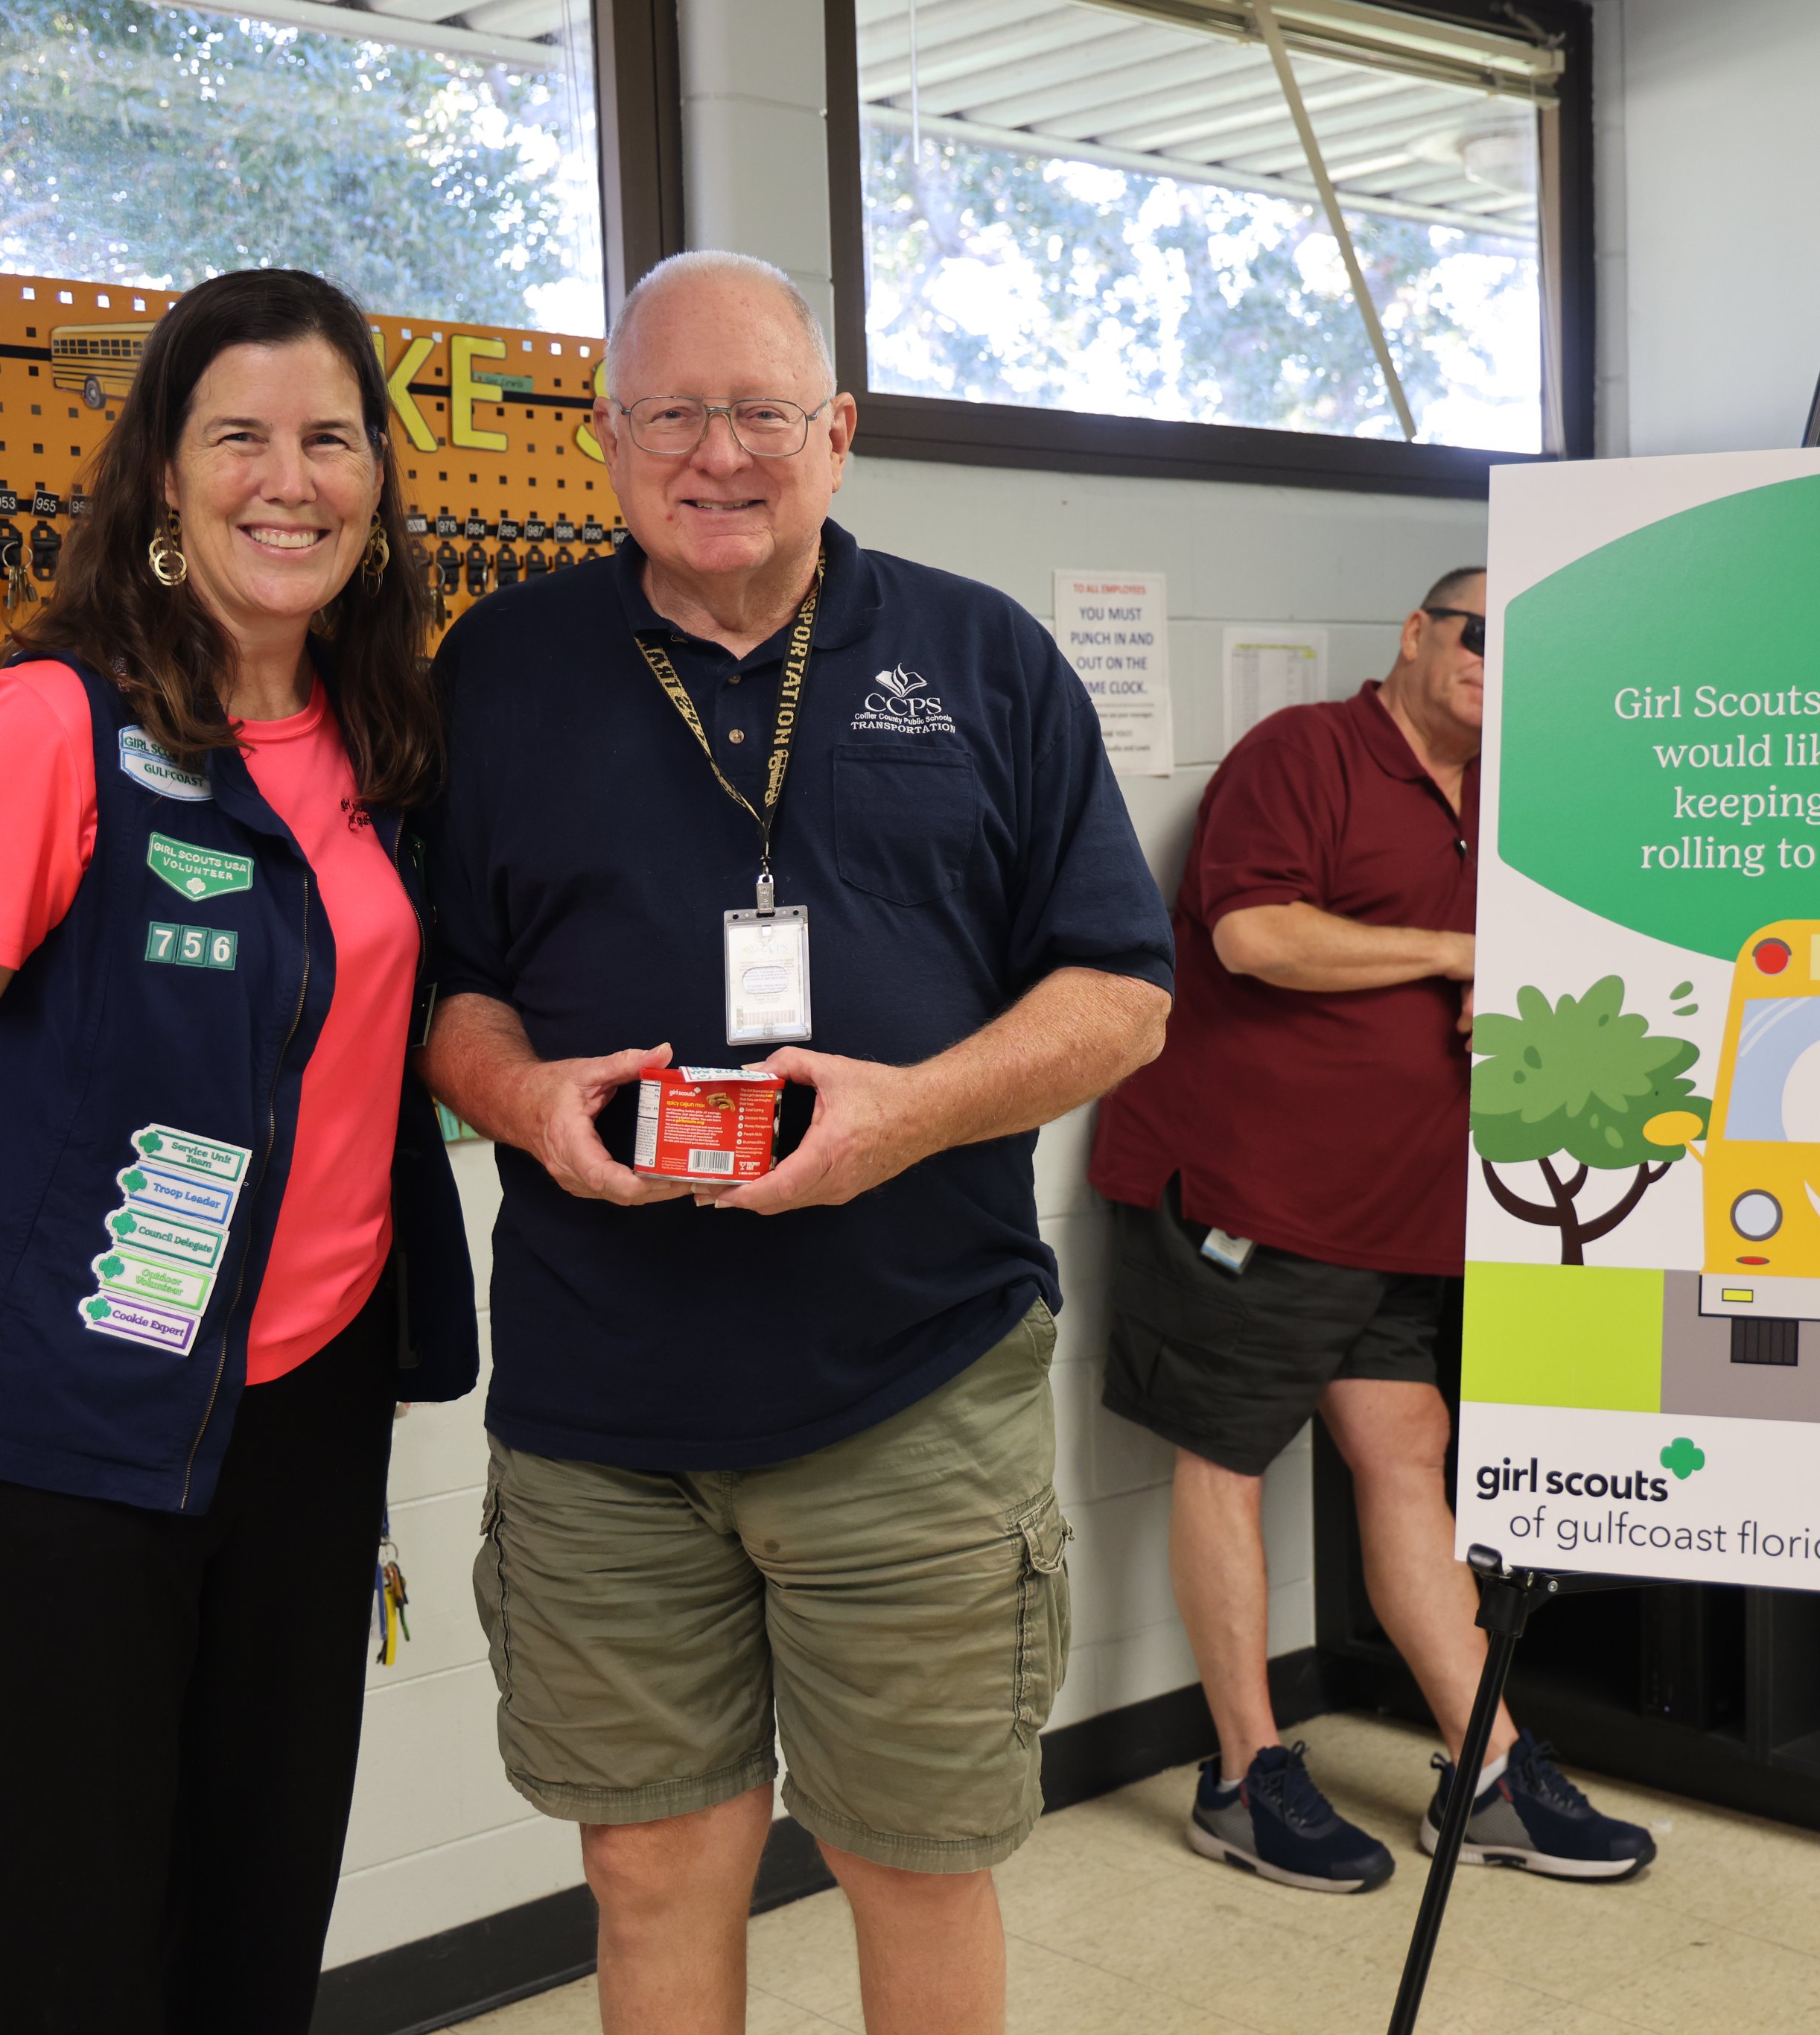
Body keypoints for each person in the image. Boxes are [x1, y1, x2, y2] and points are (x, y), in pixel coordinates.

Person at [415, 250, 1171, 2035]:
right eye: (671, 412)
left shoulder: (983, 656)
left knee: (915, 1858)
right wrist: (524, 1101)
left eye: (760, 410)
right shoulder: (501, 668)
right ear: (605, 437)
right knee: (648, 1866)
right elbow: (446, 987)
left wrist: (910, 1114)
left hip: (911, 1381)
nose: (717, 453)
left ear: (837, 433)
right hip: (602, 1405)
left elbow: (1122, 994)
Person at [0, 268, 477, 2033]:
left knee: (255, 1946)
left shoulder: (384, 735)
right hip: (59, 1441)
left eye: (329, 440)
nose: (288, 480)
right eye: (239, 436)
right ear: (163, 472)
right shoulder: (53, 724)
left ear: (377, 480)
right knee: (76, 1974)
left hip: (303, 1426)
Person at [1089, 570, 1657, 1893]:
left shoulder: (1509, 799)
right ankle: (1241, 1776)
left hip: (1404, 1209)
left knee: (1409, 1456)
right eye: (1478, 634)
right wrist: (1456, 954)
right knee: (1228, 1459)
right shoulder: (1306, 753)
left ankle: (1490, 1773)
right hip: (1248, 1194)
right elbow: (1254, 936)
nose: (1494, 664)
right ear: (1416, 634)